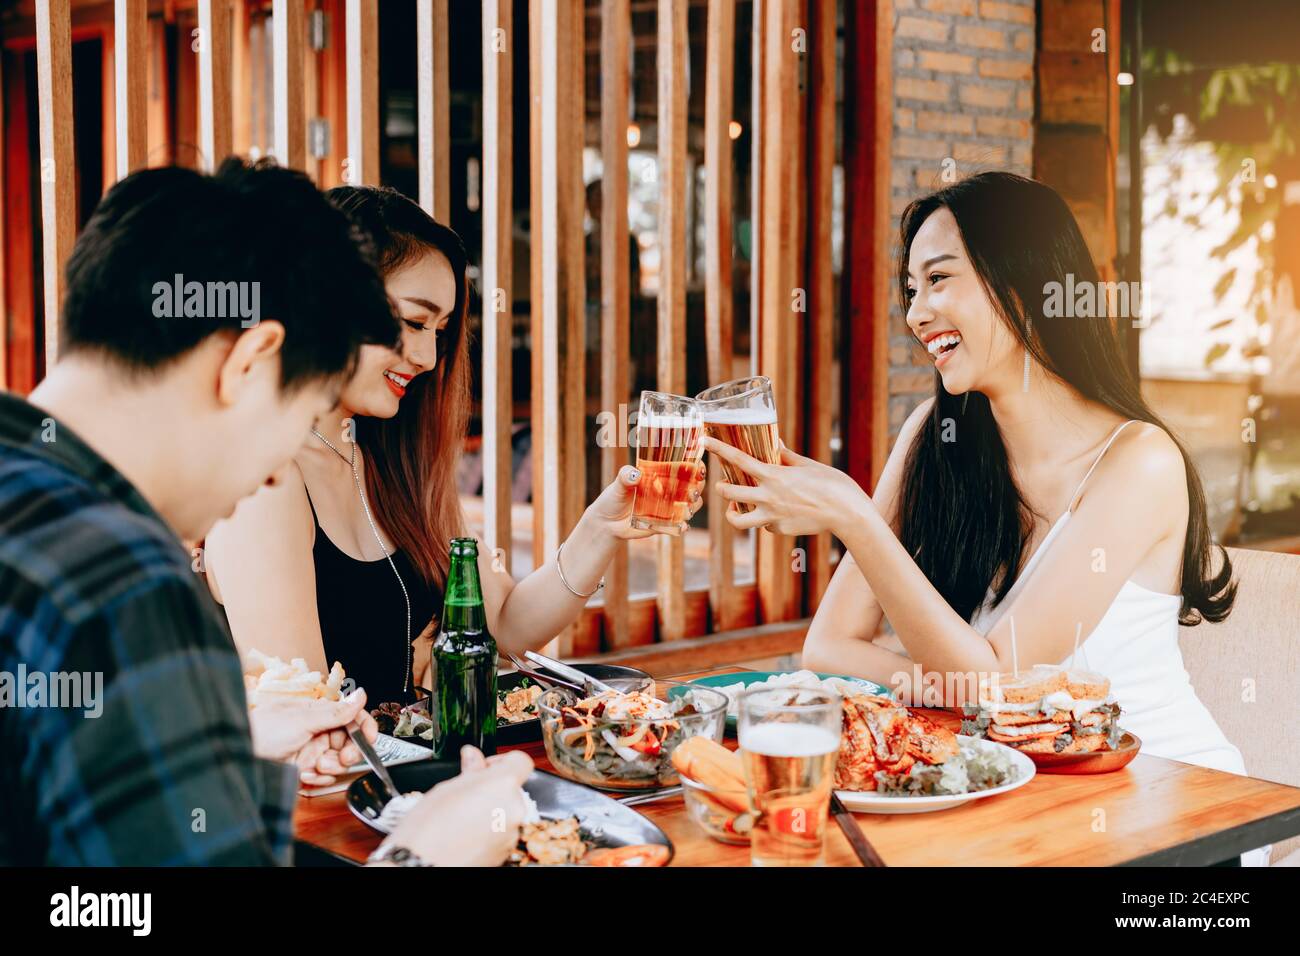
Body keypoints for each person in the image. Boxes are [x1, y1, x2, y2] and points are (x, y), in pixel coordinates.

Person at [0, 158, 531, 865]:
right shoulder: (123, 578)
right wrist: (426, 855)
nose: (278, 470)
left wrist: (217, 740)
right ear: (249, 362)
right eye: (303, 411)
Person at [704, 172, 1248, 781]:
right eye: (910, 290)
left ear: (1020, 283)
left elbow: (992, 683)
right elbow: (828, 650)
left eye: (937, 279)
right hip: (1024, 789)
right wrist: (949, 680)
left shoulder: (1139, 461)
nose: (915, 313)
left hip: (1174, 795)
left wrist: (854, 518)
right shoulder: (934, 437)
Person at [204, 185, 704, 705]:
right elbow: (305, 715)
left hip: (401, 775)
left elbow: (507, 625)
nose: (426, 356)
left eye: (439, 331)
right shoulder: (263, 479)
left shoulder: (382, 458)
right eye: (413, 322)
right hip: (338, 783)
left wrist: (600, 529)